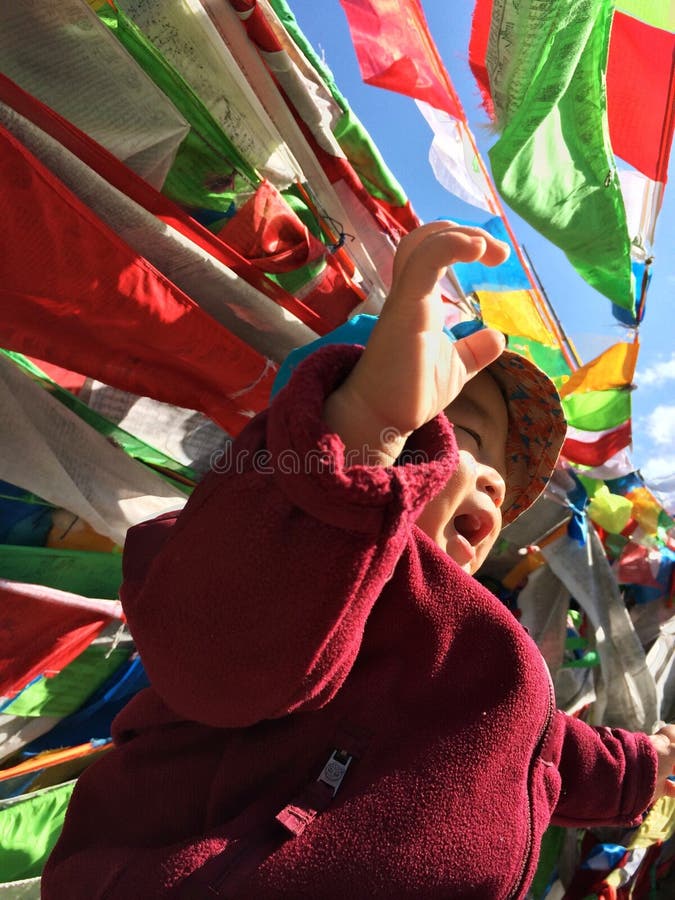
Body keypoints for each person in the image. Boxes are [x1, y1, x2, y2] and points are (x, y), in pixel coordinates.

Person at [42, 223, 675, 899]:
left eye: (498, 465)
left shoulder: (488, 658)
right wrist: (365, 426)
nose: (491, 478)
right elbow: (224, 651)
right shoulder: (264, 559)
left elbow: (543, 752)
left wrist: (647, 767)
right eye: (450, 434)